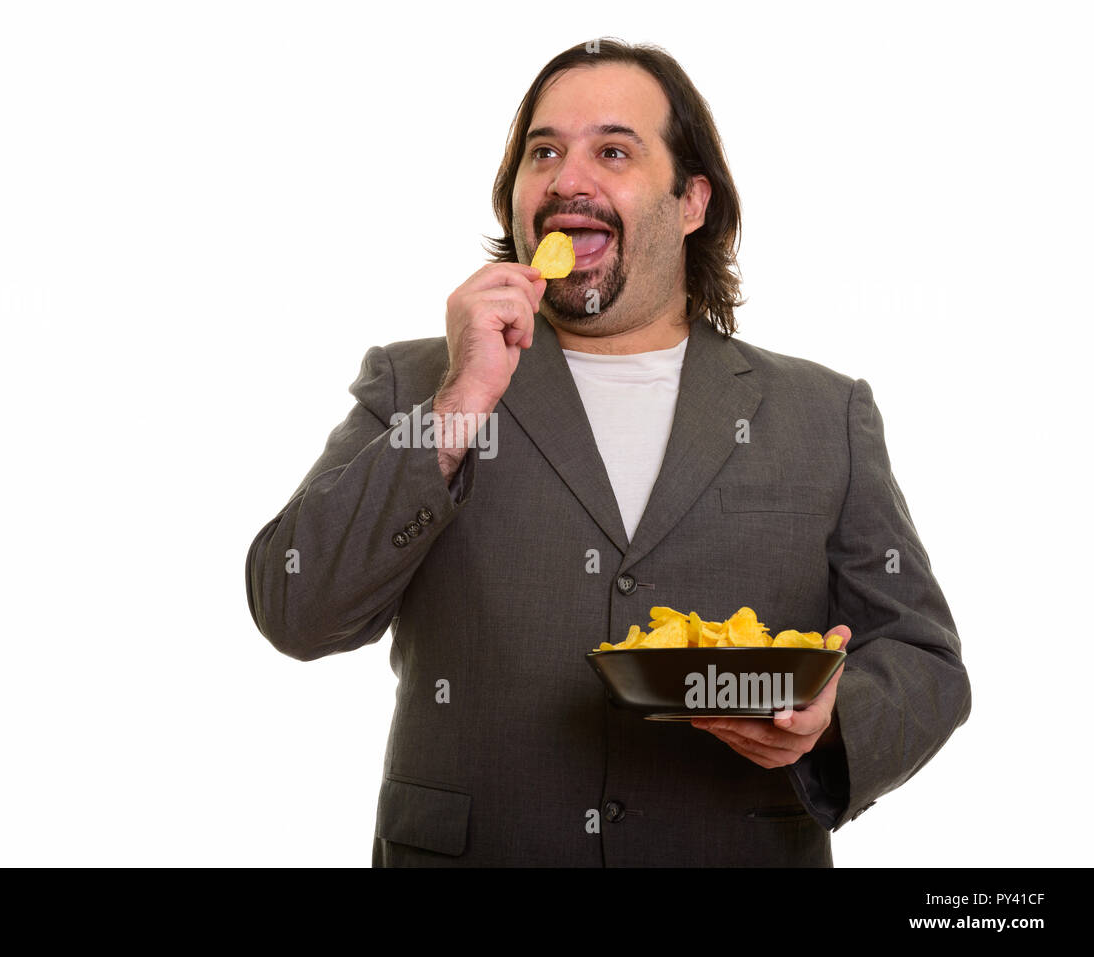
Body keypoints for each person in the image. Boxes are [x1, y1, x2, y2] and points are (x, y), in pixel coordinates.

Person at [245, 39, 970, 866]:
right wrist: (455, 408)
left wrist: (831, 718)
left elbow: (926, 660)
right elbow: (293, 607)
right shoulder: (419, 382)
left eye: (613, 150)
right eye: (543, 150)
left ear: (691, 199)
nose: (566, 179)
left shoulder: (822, 412)